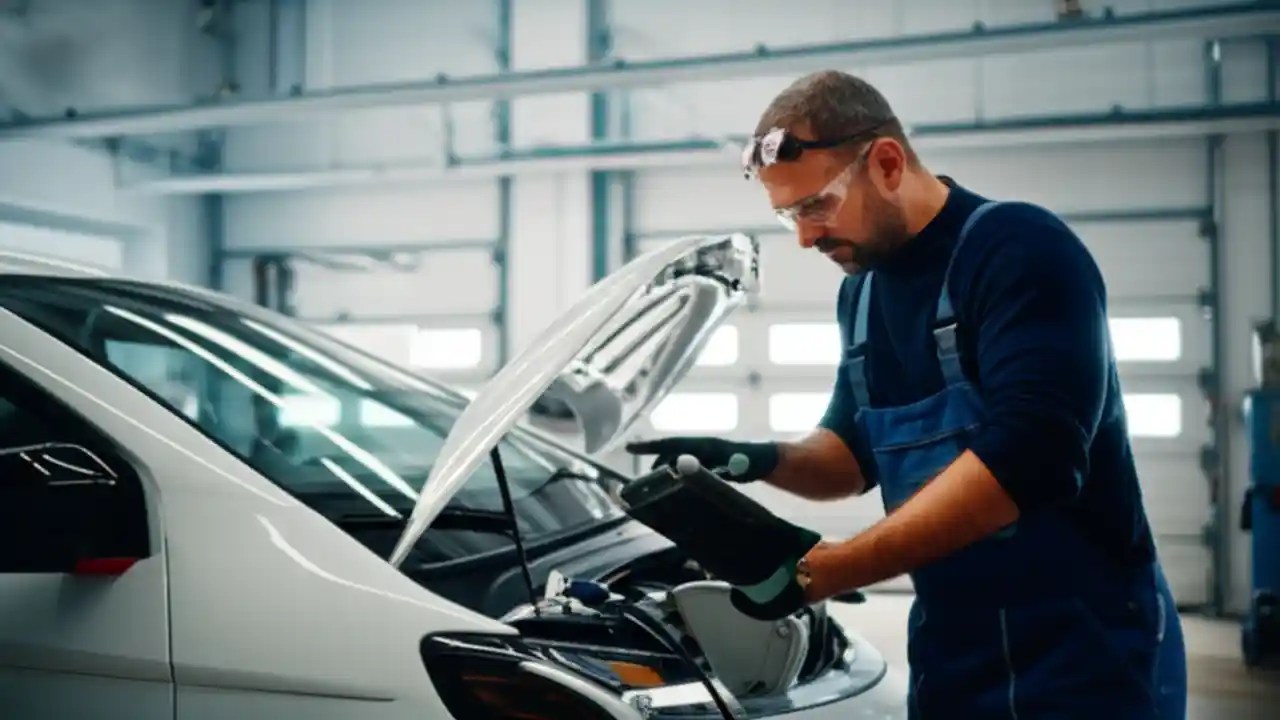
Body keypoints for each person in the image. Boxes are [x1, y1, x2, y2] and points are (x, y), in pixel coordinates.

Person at [627, 70, 1188, 718]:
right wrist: (758, 458)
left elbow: (1034, 458)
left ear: (888, 163)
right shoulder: (861, 292)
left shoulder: (1019, 250)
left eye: (816, 205)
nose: (805, 237)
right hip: (954, 653)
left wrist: (826, 571)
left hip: (1087, 652)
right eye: (789, 217)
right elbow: (850, 457)